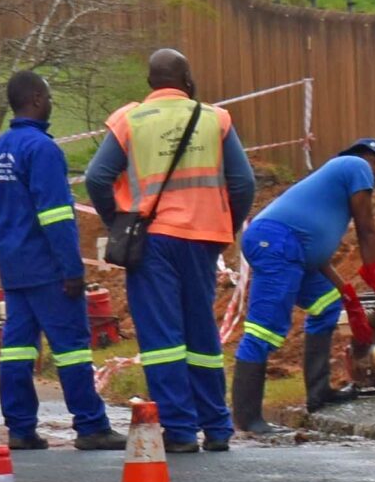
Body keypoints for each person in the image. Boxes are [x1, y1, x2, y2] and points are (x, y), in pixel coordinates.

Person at [83, 48, 255, 454]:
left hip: (153, 241)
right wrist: (223, 227)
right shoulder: (216, 119)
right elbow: (244, 183)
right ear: (188, 78)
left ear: (150, 83)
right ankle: (216, 427)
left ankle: (179, 432)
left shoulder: (129, 120)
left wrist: (119, 222)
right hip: (202, 239)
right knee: (201, 334)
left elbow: (97, 177)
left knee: (163, 338)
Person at [0, 71, 125, 451]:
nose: (52, 103)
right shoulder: (42, 150)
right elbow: (56, 216)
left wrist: (9, 249)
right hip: (48, 269)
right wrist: (71, 268)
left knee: (16, 348)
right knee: (72, 346)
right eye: (49, 96)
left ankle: (20, 428)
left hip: (15, 269)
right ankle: (91, 426)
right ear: (36, 99)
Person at [229, 140, 375, 434]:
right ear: (363, 157)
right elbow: (367, 228)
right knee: (263, 330)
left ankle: (319, 392)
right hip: (277, 243)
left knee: (326, 305)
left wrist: (346, 293)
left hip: (292, 249)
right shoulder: (355, 166)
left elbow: (316, 254)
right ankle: (248, 418)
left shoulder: (329, 195)